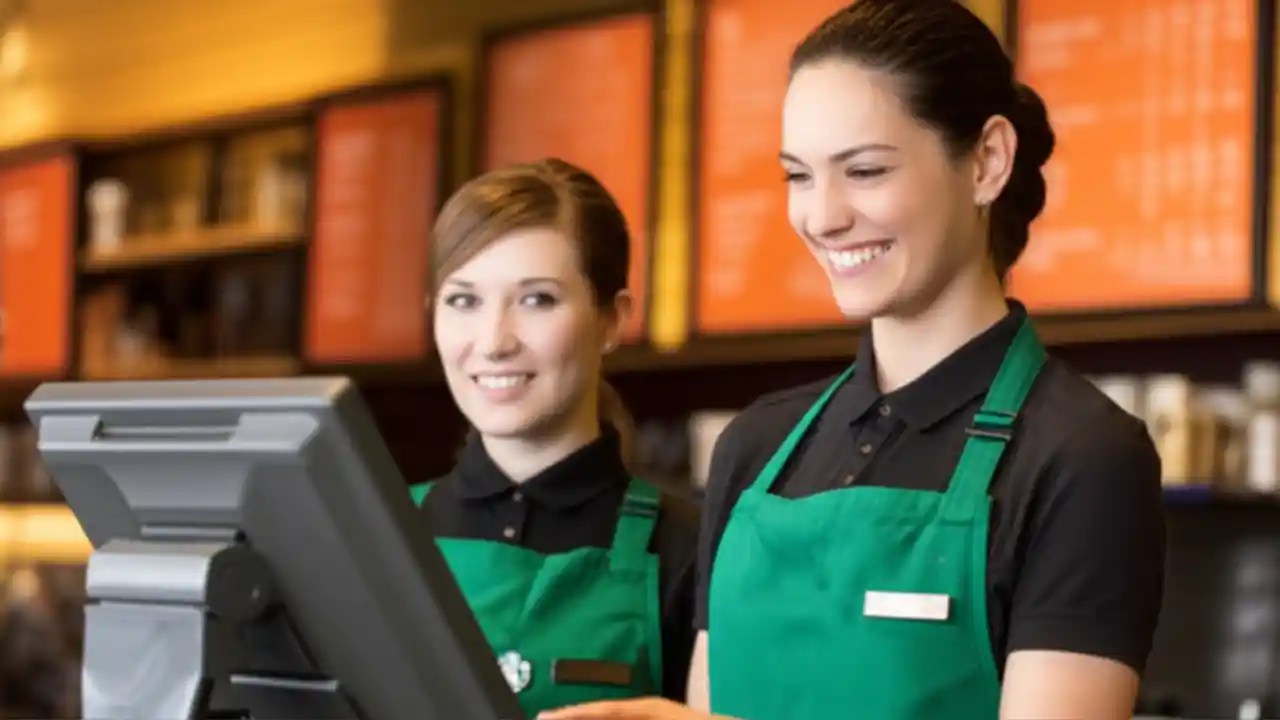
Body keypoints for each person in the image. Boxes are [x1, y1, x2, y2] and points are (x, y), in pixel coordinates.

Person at [539, 1, 1165, 718]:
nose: (822, 216)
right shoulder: (755, 448)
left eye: (864, 170)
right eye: (798, 177)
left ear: (988, 161)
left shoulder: (1083, 458)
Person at [408, 158, 701, 717]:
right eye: (463, 300)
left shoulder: (692, 550)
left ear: (611, 320)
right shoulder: (377, 533)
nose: (494, 341)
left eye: (537, 299)